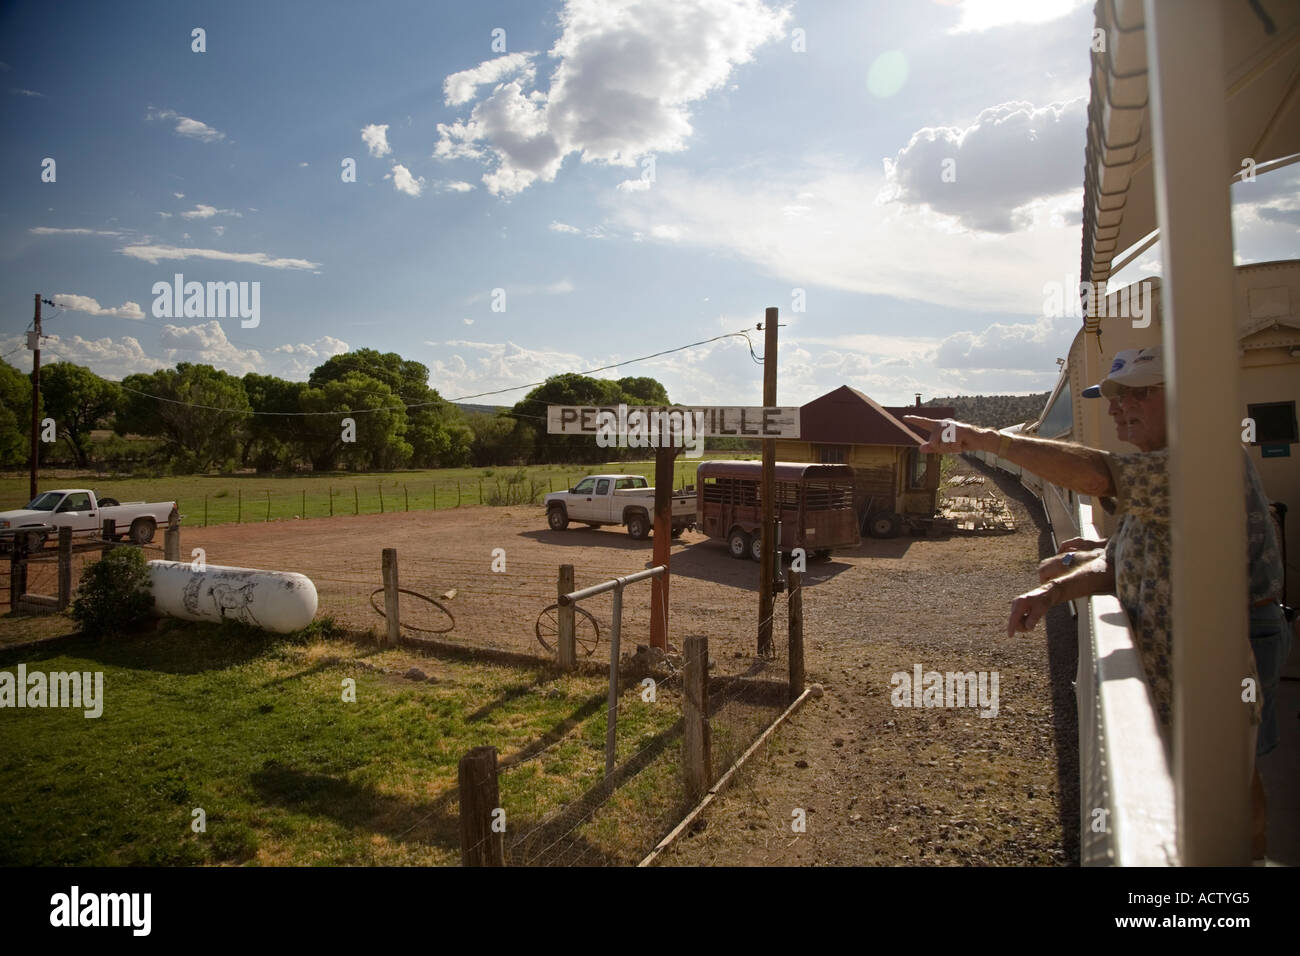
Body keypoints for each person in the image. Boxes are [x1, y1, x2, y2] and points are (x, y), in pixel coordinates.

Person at [905, 344, 1282, 853]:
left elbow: (1102, 475)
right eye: (1112, 395)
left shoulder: (1202, 456)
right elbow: (1130, 555)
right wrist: (1055, 588)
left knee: (1227, 806)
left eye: (1135, 393)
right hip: (1178, 677)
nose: (1116, 405)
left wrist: (981, 438)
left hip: (1207, 680)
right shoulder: (1161, 467)